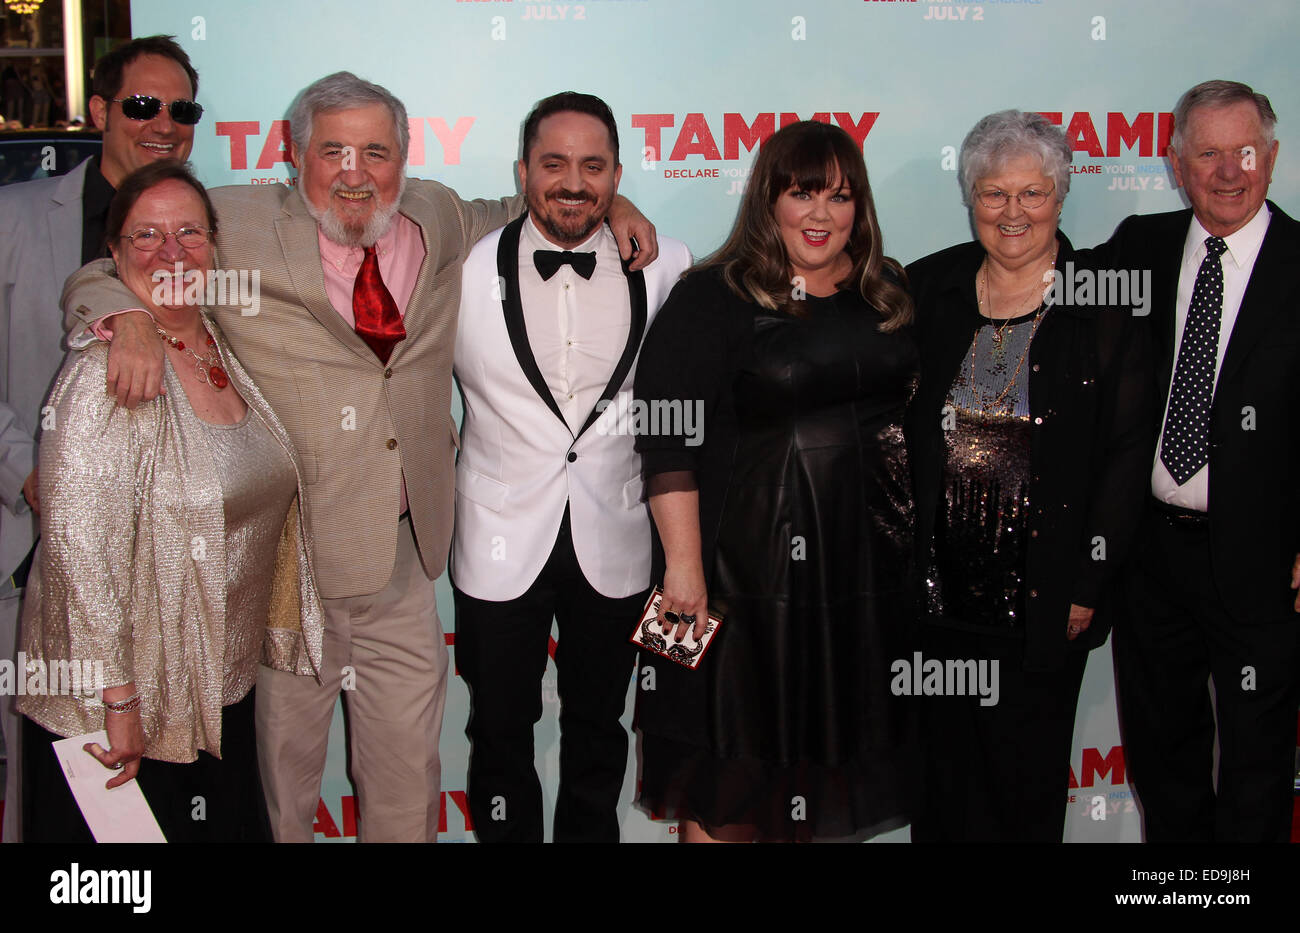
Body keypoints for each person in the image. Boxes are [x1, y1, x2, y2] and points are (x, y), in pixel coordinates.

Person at [61, 71, 657, 842]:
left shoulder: (436, 213)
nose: (355, 172)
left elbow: (543, 203)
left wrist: (622, 204)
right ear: (294, 153)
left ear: (404, 159)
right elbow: (114, 266)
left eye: (376, 152)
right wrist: (123, 316)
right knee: (283, 793)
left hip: (402, 565)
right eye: (333, 150)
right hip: (285, 568)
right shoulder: (237, 220)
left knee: (408, 792)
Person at [18, 161, 322, 842]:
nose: (171, 252)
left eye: (189, 233)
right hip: (131, 708)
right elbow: (78, 552)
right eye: (147, 236)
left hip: (214, 691)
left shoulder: (219, 338)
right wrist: (116, 697)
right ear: (115, 254)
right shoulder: (107, 374)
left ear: (215, 246)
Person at [633, 120, 914, 842]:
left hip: (855, 584)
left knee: (812, 785)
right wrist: (683, 572)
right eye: (803, 193)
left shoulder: (890, 293)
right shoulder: (712, 297)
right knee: (723, 784)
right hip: (734, 580)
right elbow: (667, 439)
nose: (822, 214)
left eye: (841, 196)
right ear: (769, 199)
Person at [903, 110, 1150, 842]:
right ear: (970, 197)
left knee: (1024, 785)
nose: (1013, 212)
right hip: (933, 596)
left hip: (1043, 600)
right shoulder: (927, 287)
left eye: (1032, 193)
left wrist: (1087, 584)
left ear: (1063, 194)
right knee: (941, 785)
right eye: (993, 193)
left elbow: (1129, 454)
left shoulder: (1105, 301)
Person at [451, 92, 691, 843]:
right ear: (522, 171)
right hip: (495, 538)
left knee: (600, 728)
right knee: (497, 731)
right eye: (554, 163)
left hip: (619, 536)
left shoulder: (668, 263)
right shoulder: (458, 267)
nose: (574, 182)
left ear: (618, 175)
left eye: (593, 166)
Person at [0, 34, 201, 843]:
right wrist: (26, 473)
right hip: (31, 549)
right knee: (43, 777)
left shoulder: (203, 230)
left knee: (147, 797)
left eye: (181, 109)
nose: (164, 123)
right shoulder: (15, 217)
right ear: (98, 112)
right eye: (142, 105)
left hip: (167, 578)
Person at [1100, 80, 1300, 843]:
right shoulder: (1137, 248)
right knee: (1164, 761)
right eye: (1206, 152)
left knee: (1256, 768)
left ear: (1272, 157)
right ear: (1175, 163)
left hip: (1265, 561)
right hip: (1151, 558)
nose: (1227, 171)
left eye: (1243, 151)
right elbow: (1038, 287)